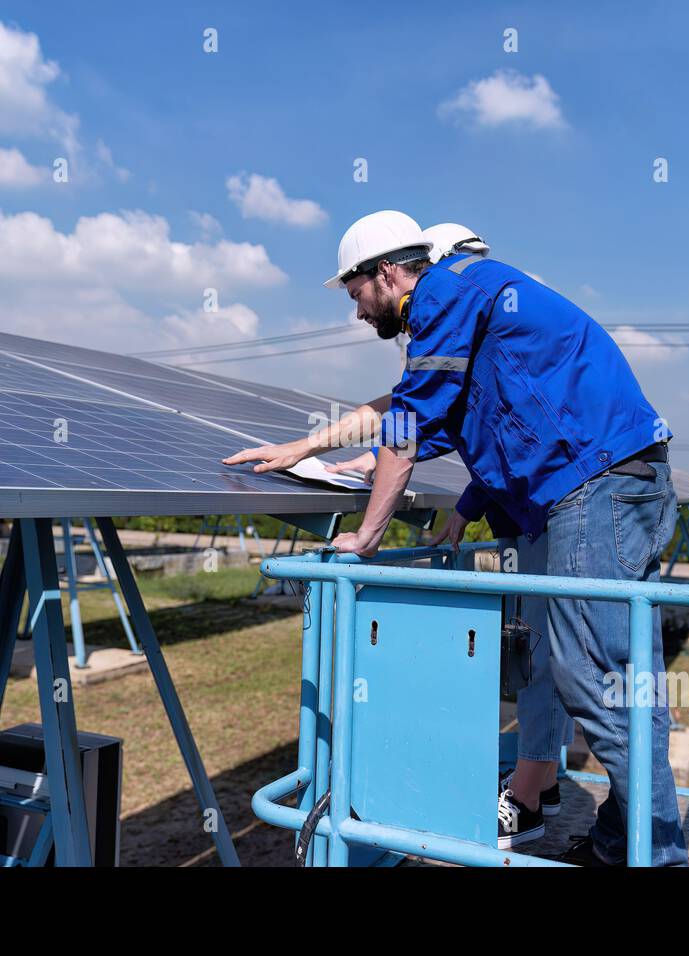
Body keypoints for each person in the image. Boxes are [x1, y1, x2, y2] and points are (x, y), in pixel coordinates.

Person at [236, 219, 574, 848]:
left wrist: (367, 535)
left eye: (354, 293)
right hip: (544, 509)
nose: (358, 311)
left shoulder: (445, 296)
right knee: (556, 657)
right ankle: (542, 782)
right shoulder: (484, 324)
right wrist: (310, 445)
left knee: (570, 660)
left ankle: (583, 813)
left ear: (392, 272)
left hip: (559, 507)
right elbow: (409, 414)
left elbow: (411, 421)